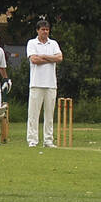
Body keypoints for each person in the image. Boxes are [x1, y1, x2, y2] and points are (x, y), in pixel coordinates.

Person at [26, 18, 63, 147]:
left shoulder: (53, 44)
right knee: (33, 114)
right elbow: (34, 60)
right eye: (43, 30)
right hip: (36, 83)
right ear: (37, 30)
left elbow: (59, 58)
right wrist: (50, 58)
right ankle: (32, 140)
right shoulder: (32, 43)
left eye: (47, 30)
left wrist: (44, 56)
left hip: (51, 84)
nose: (45, 32)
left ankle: (48, 140)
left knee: (49, 115)